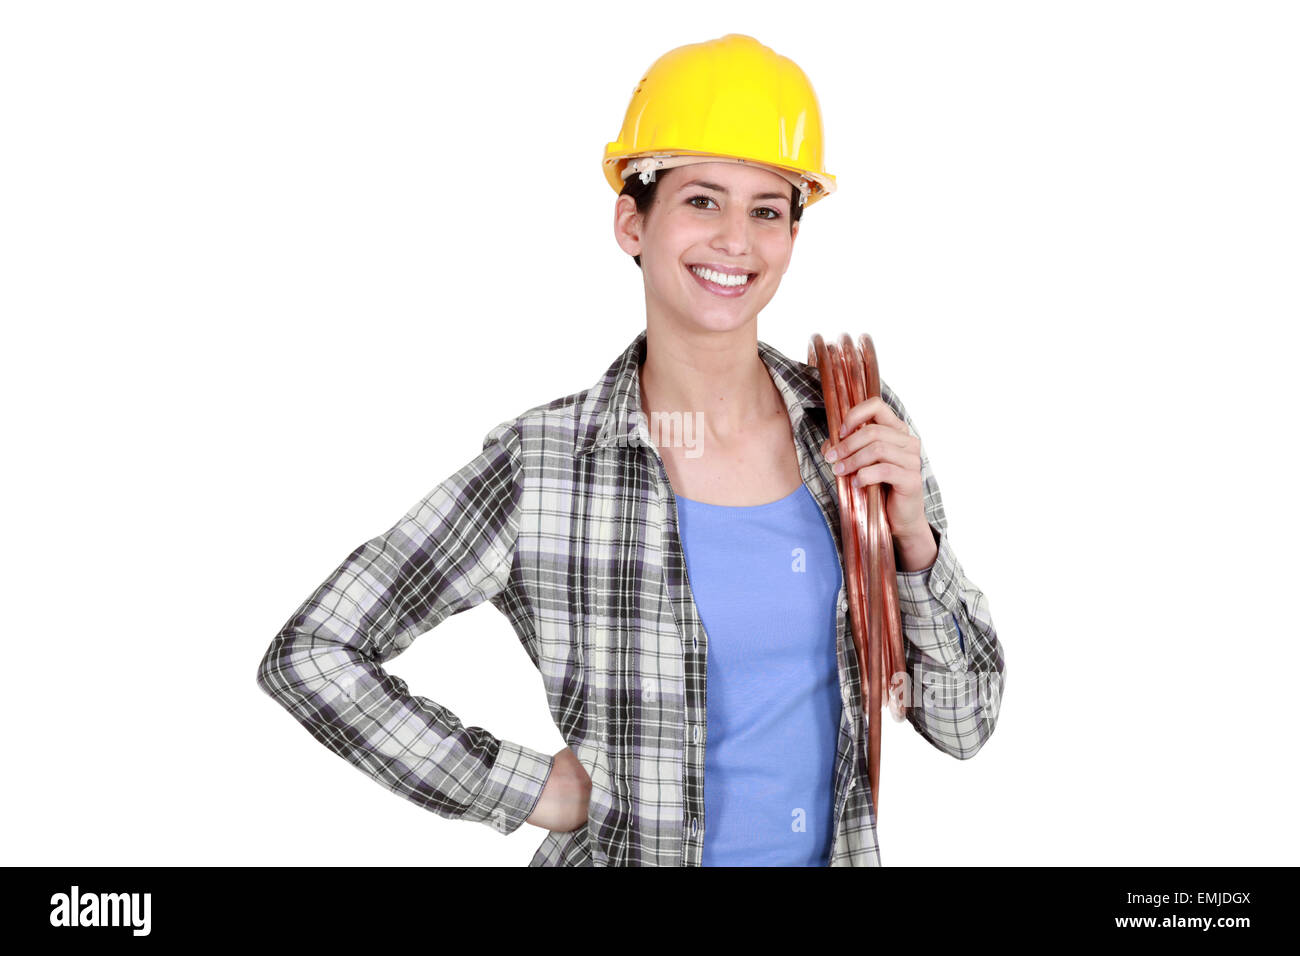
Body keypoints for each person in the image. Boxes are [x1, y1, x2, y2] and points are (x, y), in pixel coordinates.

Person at [256, 33, 1006, 867]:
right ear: (631, 221)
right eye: (701, 200)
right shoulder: (544, 465)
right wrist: (528, 787)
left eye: (767, 209)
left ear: (793, 237)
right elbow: (313, 654)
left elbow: (964, 722)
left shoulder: (855, 426)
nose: (735, 241)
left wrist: (913, 544)